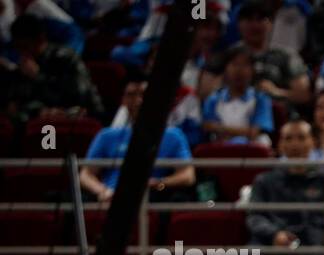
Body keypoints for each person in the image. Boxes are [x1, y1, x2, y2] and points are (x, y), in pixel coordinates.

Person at [247, 119, 324, 255]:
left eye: (301, 138)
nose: (295, 144)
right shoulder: (264, 181)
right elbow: (255, 217)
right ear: (280, 145)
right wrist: (274, 234)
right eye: (288, 139)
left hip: (318, 245)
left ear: (313, 143)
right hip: (276, 244)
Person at [80, 74, 195, 204]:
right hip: (110, 199)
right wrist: (102, 191)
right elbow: (86, 174)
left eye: (143, 94)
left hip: (150, 199)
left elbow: (188, 175)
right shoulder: (106, 135)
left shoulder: (173, 135)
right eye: (131, 95)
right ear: (123, 100)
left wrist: (159, 183)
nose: (138, 101)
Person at [4, 13, 102, 124]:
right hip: (43, 123)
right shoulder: (22, 66)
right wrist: (39, 111)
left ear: (40, 39)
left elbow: (78, 96)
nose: (23, 53)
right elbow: (16, 105)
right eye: (18, 48)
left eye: (25, 46)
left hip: (78, 118)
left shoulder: (66, 58)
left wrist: (38, 76)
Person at [213, 0, 311, 108]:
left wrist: (277, 92)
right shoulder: (227, 56)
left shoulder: (286, 56)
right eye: (249, 19)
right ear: (239, 24)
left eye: (260, 19)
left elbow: (304, 95)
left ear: (271, 24)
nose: (255, 25)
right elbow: (206, 91)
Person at [201, 46, 274, 146]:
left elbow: (254, 133)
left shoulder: (260, 99)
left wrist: (219, 128)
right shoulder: (213, 99)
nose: (239, 70)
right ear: (225, 69)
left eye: (245, 65)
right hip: (221, 150)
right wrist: (243, 131)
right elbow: (207, 127)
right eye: (234, 64)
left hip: (251, 150)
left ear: (253, 70)